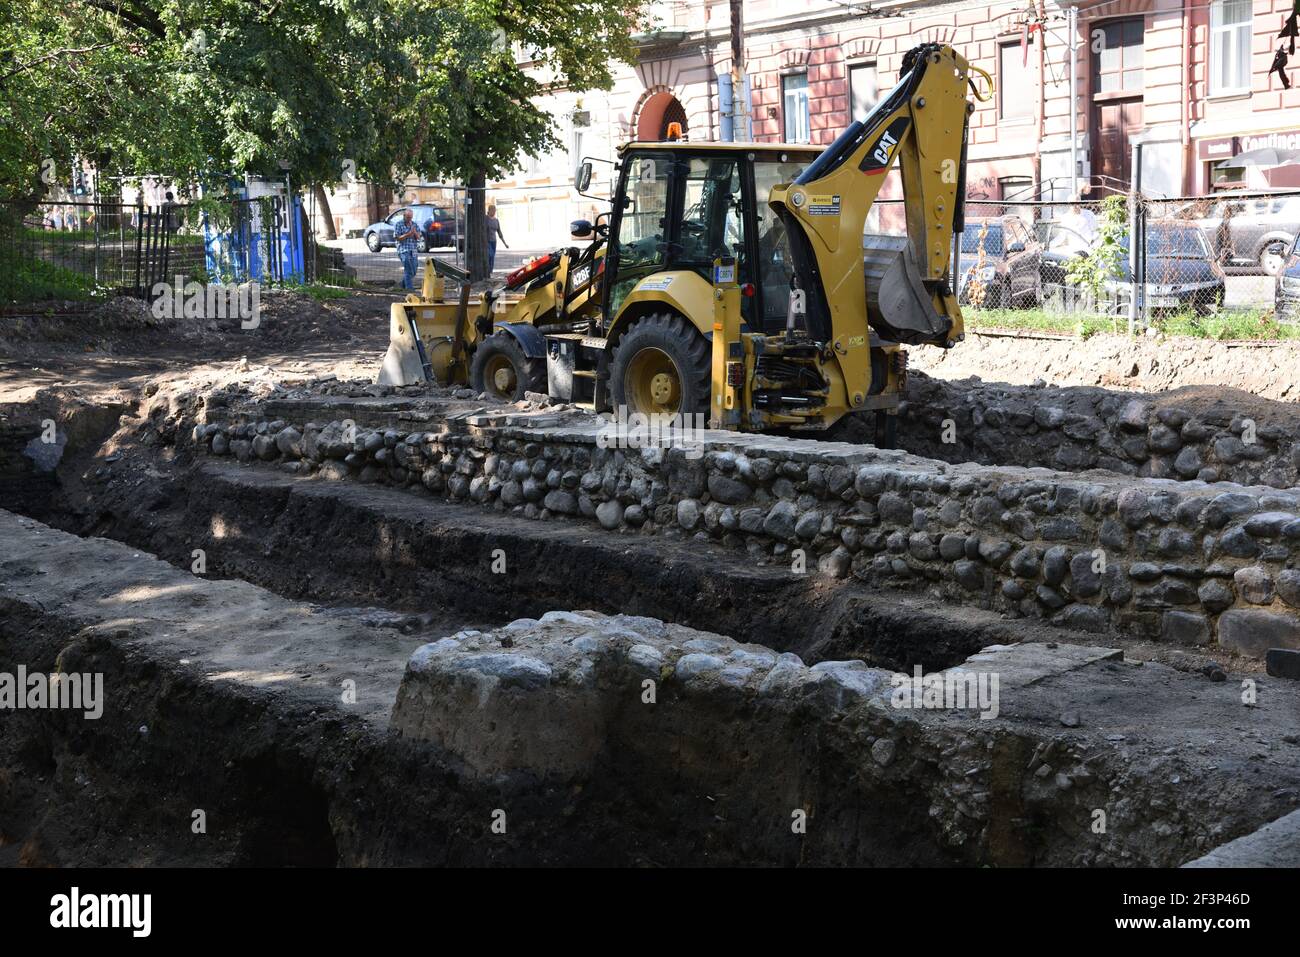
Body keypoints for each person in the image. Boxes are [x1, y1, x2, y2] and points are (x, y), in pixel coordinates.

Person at [394, 207, 421, 289]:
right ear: (404, 216)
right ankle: (409, 289)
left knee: (414, 271)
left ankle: (401, 285)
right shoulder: (398, 224)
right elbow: (397, 238)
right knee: (408, 269)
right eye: (408, 217)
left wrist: (414, 232)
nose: (409, 219)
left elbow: (419, 237)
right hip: (403, 250)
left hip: (413, 250)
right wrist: (408, 234)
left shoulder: (414, 224)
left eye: (411, 217)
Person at [485, 203, 508, 273]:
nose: (494, 212)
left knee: (492, 257)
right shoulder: (485, 219)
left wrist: (505, 243)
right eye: (493, 210)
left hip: (494, 241)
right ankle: (487, 271)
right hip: (487, 241)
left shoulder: (496, 220)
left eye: (495, 210)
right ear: (489, 210)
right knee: (490, 255)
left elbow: (499, 232)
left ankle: (490, 271)